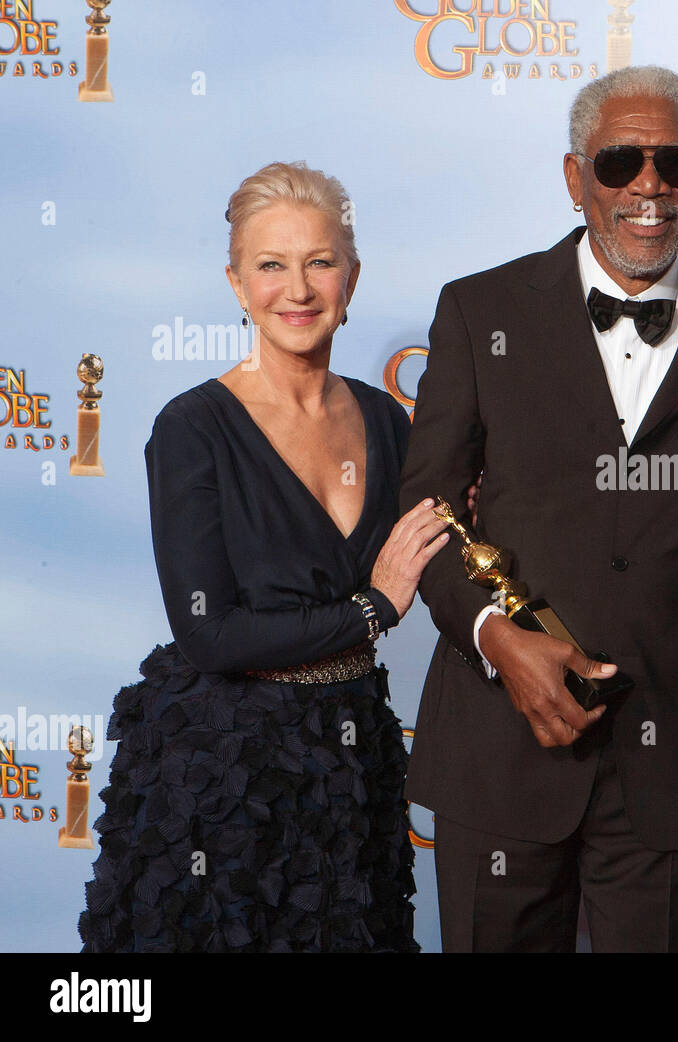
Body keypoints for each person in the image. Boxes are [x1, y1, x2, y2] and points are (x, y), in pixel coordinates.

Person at [400, 65, 678, 952]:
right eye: (620, 162)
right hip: (496, 748)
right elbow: (424, 513)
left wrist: (666, 607)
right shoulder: (480, 310)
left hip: (670, 762)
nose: (648, 186)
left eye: (674, 163)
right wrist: (498, 640)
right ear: (576, 176)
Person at [78, 161, 450, 952]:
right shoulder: (193, 428)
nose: (299, 289)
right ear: (237, 283)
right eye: (271, 265)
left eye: (320, 262)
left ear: (351, 278)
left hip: (354, 755)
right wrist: (372, 609)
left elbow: (449, 542)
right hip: (227, 770)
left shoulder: (387, 420)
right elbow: (210, 636)